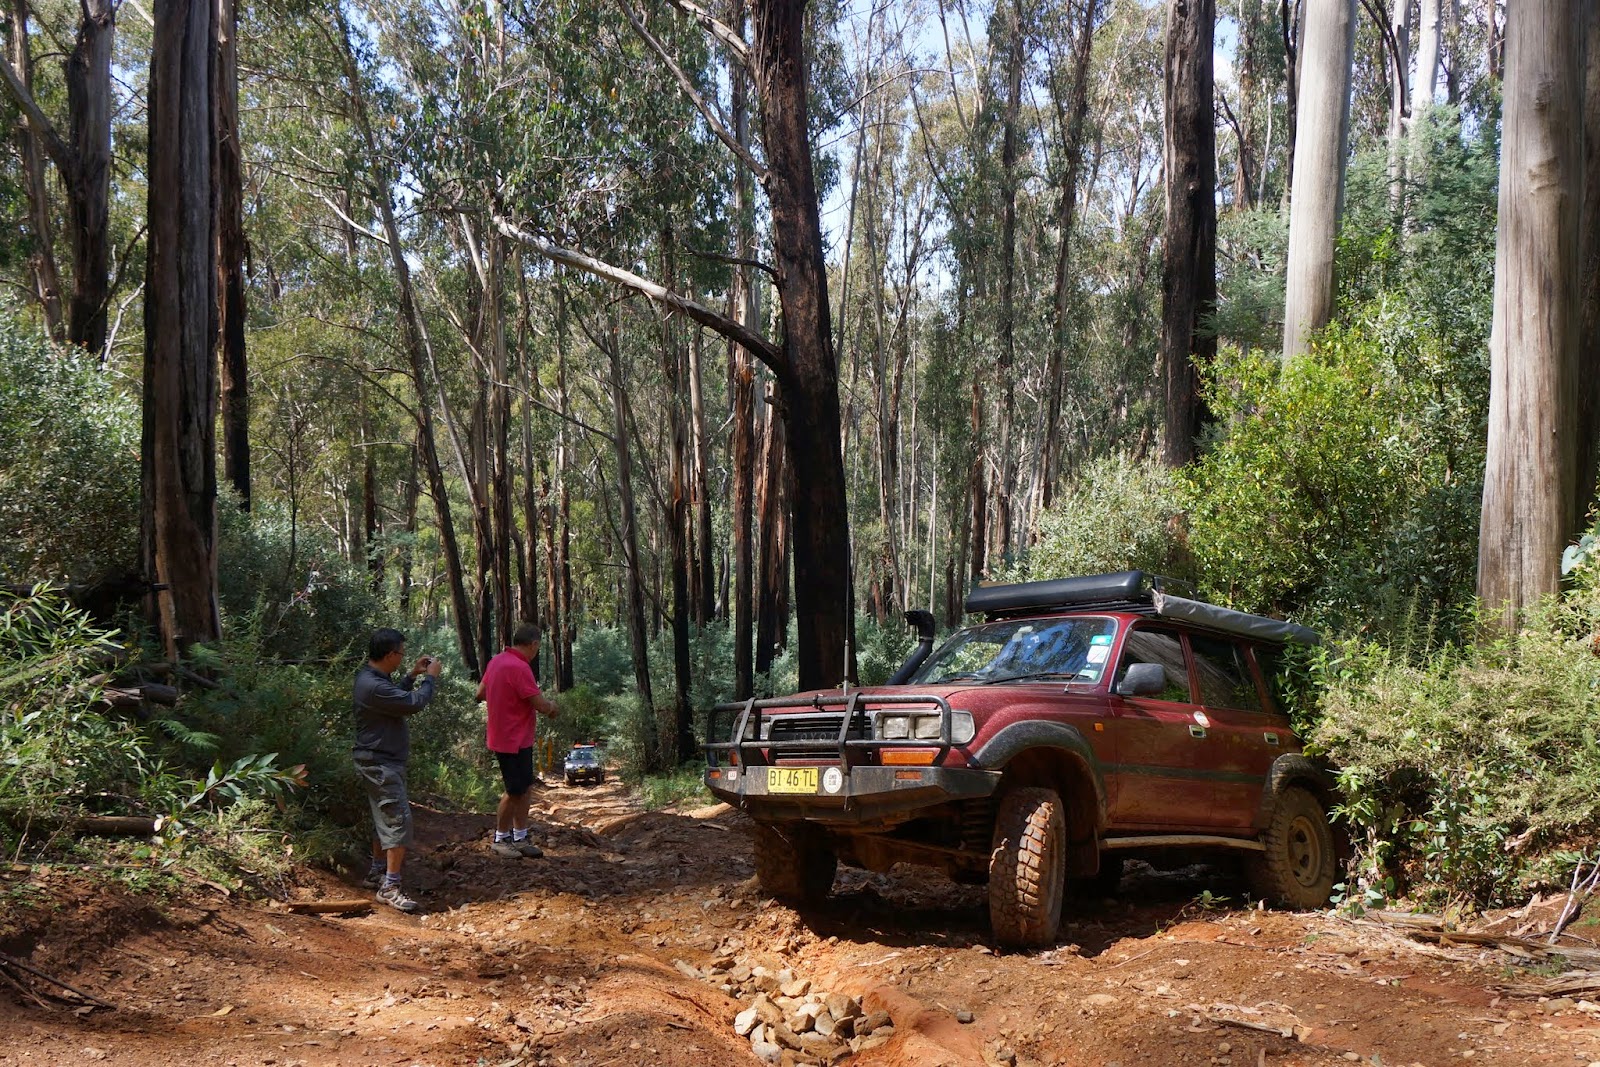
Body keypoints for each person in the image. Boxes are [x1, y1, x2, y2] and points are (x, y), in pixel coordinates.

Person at [352, 627, 441, 912]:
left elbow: (394, 699)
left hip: (379, 761)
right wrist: (430, 678)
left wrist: (412, 675)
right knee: (397, 821)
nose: (402, 658)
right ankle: (390, 886)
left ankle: (377, 871)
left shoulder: (374, 680)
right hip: (381, 763)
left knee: (384, 819)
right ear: (391, 654)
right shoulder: (373, 685)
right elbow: (414, 703)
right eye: (401, 654)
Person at [478, 622, 558, 859]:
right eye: (538, 646)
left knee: (525, 787)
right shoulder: (520, 667)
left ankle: (520, 836)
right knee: (514, 790)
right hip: (511, 738)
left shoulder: (497, 661)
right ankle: (500, 839)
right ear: (533, 644)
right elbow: (541, 706)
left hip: (513, 736)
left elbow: (479, 693)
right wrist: (553, 708)